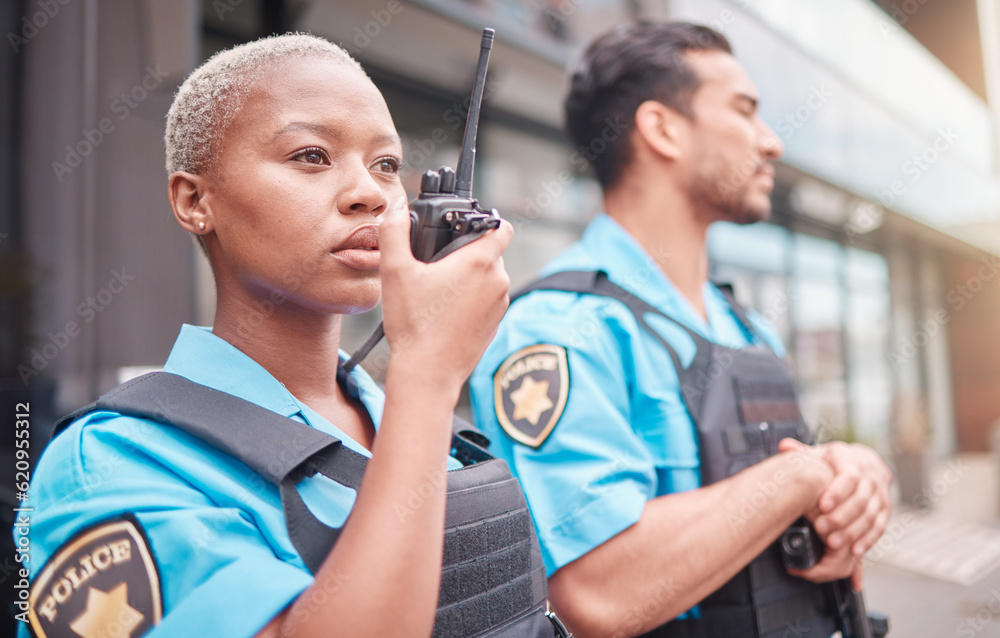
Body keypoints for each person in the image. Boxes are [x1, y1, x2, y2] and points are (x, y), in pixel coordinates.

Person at [19, 33, 558, 638]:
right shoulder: (110, 465)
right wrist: (429, 371)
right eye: (310, 156)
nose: (370, 194)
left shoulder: (433, 428)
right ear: (195, 200)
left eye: (385, 165)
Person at [469, 22, 893, 638]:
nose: (770, 142)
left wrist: (854, 479)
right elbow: (597, 593)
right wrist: (803, 475)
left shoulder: (745, 328)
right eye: (744, 111)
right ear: (662, 129)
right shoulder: (558, 331)